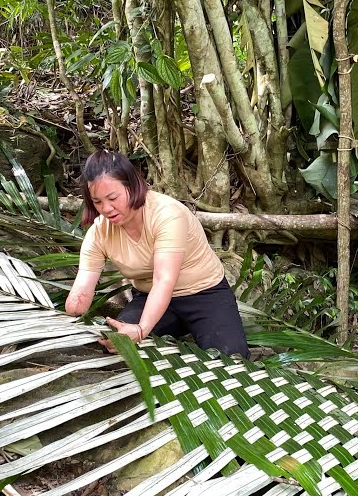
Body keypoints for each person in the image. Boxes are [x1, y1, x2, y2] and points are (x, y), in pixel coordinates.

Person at [64, 151, 250, 357]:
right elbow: (82, 288)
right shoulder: (99, 231)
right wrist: (66, 317)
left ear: (132, 186)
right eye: (97, 202)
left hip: (204, 294)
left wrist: (141, 330)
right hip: (148, 296)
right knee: (116, 344)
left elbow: (164, 280)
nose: (106, 208)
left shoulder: (167, 214)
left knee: (232, 359)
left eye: (113, 198)